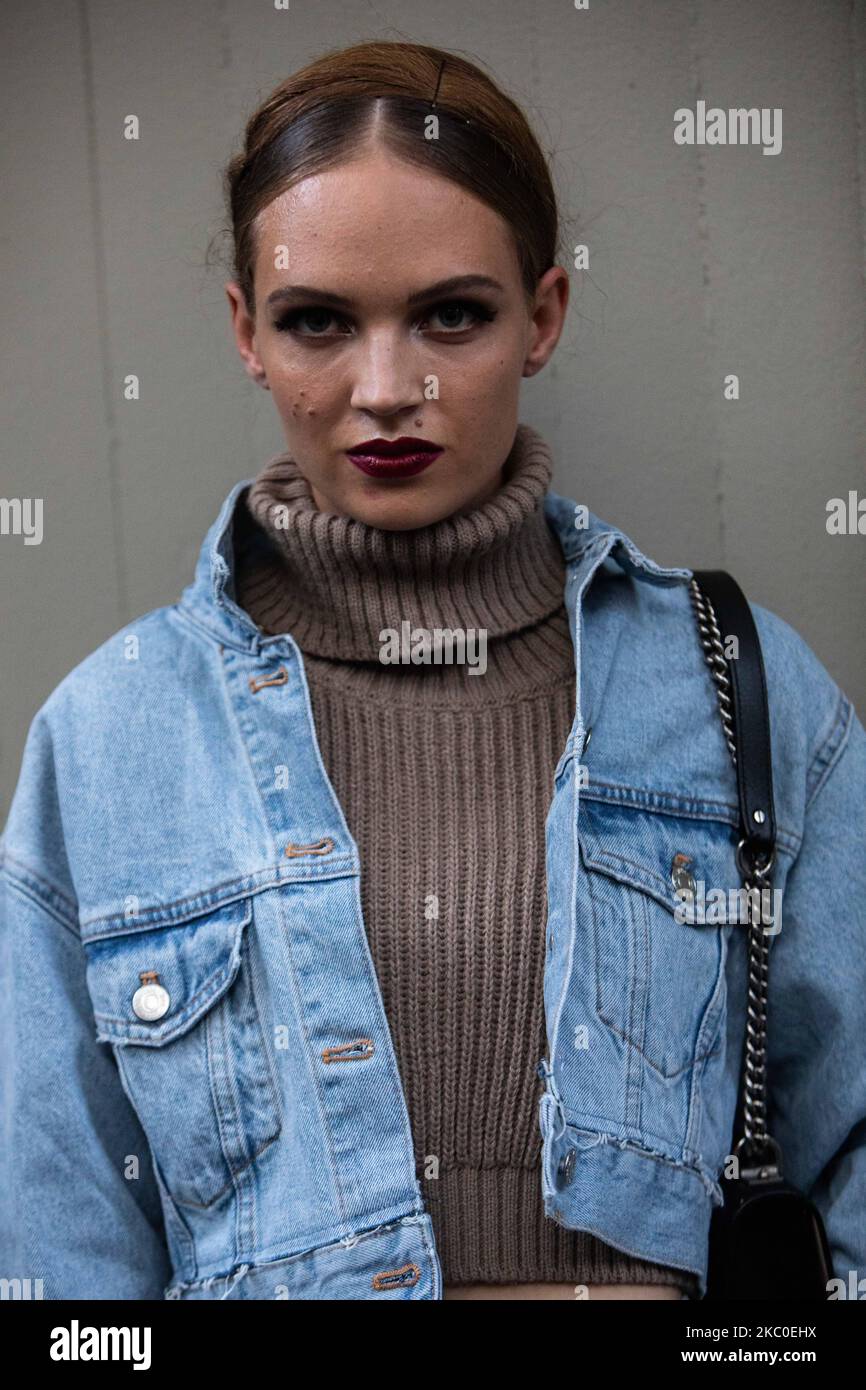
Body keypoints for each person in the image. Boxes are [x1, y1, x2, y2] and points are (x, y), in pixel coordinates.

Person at [1, 40, 864, 1303]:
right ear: (247, 332)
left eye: (451, 314)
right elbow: (60, 1271)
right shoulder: (110, 739)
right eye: (318, 322)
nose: (385, 388)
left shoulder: (732, 683)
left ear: (543, 318)